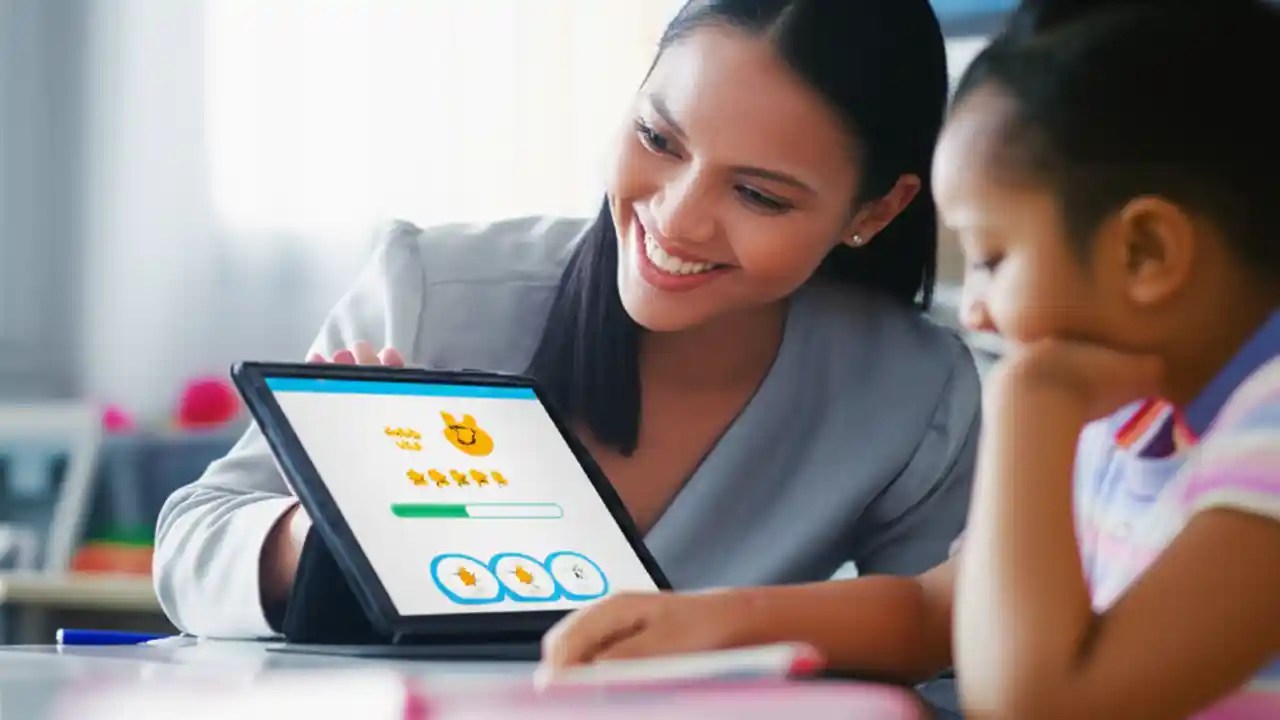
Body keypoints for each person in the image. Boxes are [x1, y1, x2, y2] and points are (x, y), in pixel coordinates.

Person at [153, 0, 980, 641]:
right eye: (658, 137)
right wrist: (340, 533)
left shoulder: (911, 391)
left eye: (759, 194)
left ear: (874, 211)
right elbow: (191, 547)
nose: (678, 219)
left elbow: (953, 661)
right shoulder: (435, 290)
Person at [542, 0, 1280, 716]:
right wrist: (718, 620)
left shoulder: (1260, 439)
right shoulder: (1130, 418)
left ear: (1146, 253)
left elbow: (1041, 703)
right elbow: (940, 612)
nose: (978, 309)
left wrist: (1030, 411)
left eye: (992, 257)